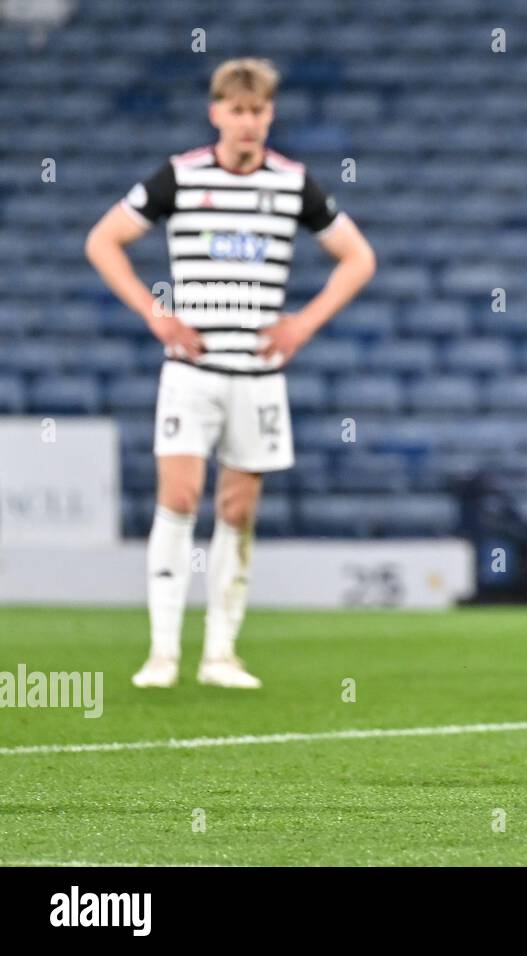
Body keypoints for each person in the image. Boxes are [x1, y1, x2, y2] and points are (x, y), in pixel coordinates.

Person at [85, 57, 376, 688]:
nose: (249, 123)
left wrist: (304, 322)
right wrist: (155, 313)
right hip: (190, 368)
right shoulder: (180, 177)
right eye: (238, 110)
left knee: (238, 510)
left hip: (257, 372)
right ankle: (163, 652)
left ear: (270, 115)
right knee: (180, 497)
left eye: (259, 111)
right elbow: (103, 240)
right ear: (216, 112)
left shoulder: (294, 184)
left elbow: (358, 258)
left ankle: (220, 652)